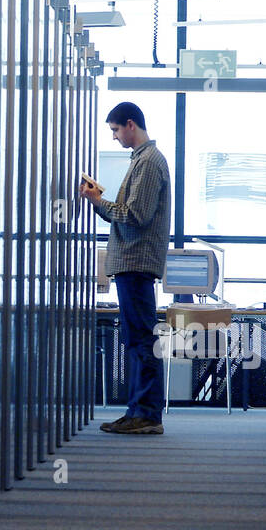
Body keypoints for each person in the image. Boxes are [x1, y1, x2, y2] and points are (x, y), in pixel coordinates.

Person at [79, 101, 171, 435]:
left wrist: (97, 202)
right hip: (132, 262)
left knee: (141, 340)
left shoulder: (148, 162)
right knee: (135, 339)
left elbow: (134, 216)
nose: (115, 138)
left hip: (136, 261)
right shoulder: (141, 160)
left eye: (116, 130)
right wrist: (100, 202)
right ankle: (138, 411)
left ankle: (146, 413)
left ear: (130, 124)